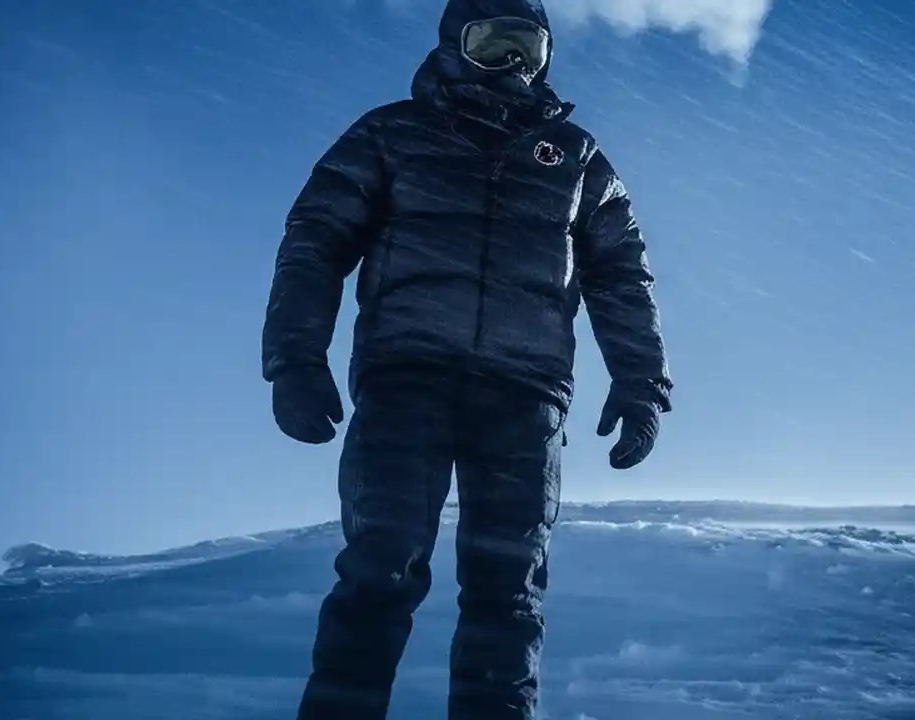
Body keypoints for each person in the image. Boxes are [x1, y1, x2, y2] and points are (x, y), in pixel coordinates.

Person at [262, 0, 672, 717]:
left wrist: (641, 384)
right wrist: (295, 360)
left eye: (526, 49)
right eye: (492, 44)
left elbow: (622, 274)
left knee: (508, 594)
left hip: (525, 395)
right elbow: (315, 241)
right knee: (379, 571)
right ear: (455, 45)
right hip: (407, 379)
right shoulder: (394, 133)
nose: (511, 64)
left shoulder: (575, 157)